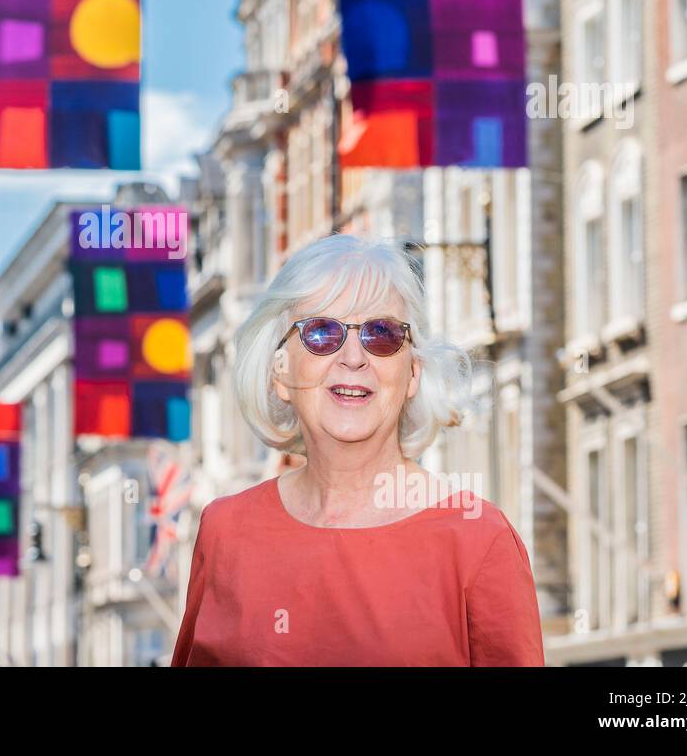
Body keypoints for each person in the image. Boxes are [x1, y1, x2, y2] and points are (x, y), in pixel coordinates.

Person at [171, 234, 544, 666]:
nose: (353, 357)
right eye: (321, 332)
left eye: (382, 334)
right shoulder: (225, 531)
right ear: (280, 371)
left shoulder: (479, 540)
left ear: (413, 375)